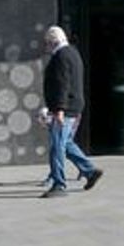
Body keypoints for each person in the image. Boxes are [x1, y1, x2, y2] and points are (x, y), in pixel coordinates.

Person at [39, 25, 100, 197]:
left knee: (57, 146)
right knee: (65, 143)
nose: (46, 47)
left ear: (53, 41)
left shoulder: (61, 56)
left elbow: (62, 84)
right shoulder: (73, 53)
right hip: (73, 106)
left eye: (47, 43)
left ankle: (59, 184)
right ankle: (90, 171)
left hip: (65, 109)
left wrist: (59, 109)